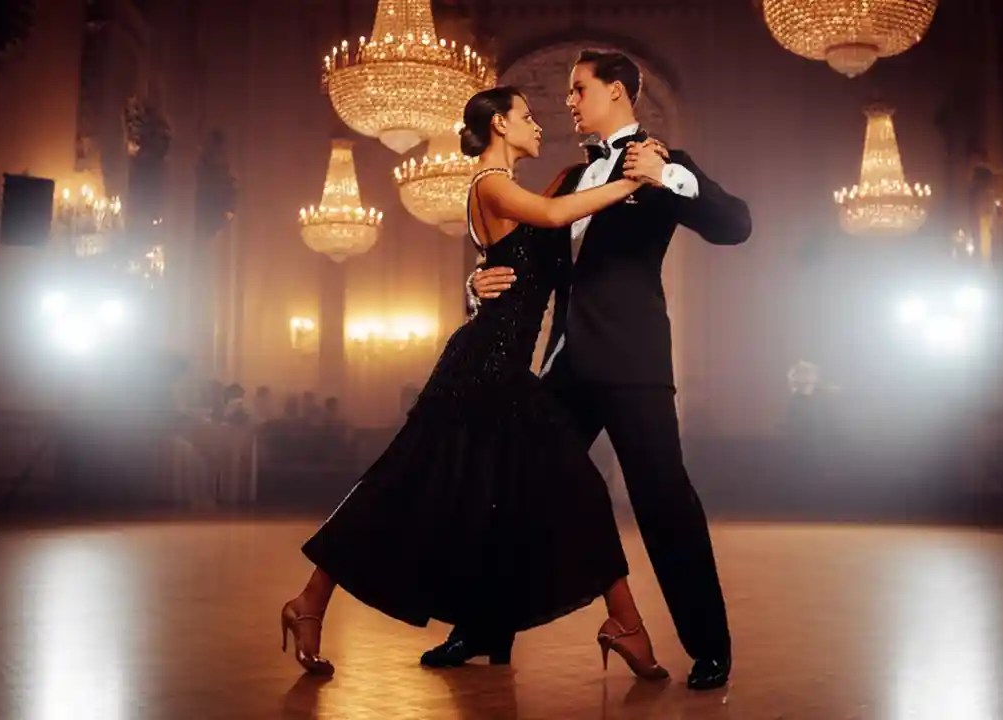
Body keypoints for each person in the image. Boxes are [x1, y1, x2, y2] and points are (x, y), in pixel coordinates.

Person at [280, 85, 669, 680]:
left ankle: (621, 623)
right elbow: (557, 216)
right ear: (498, 125)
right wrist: (639, 181)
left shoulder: (517, 189)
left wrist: (477, 281)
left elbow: (531, 240)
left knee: (535, 492)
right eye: (527, 117)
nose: (537, 125)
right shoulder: (490, 184)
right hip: (480, 369)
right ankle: (308, 603)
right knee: (402, 486)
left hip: (503, 370)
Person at [432, 50, 751, 691]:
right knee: (515, 489)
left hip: (634, 366)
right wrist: (478, 284)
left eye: (579, 90)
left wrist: (668, 177)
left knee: (665, 503)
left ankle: (709, 647)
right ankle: (485, 627)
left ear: (618, 92)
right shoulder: (573, 178)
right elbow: (525, 258)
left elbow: (735, 225)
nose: (570, 101)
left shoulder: (667, 163)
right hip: (567, 364)